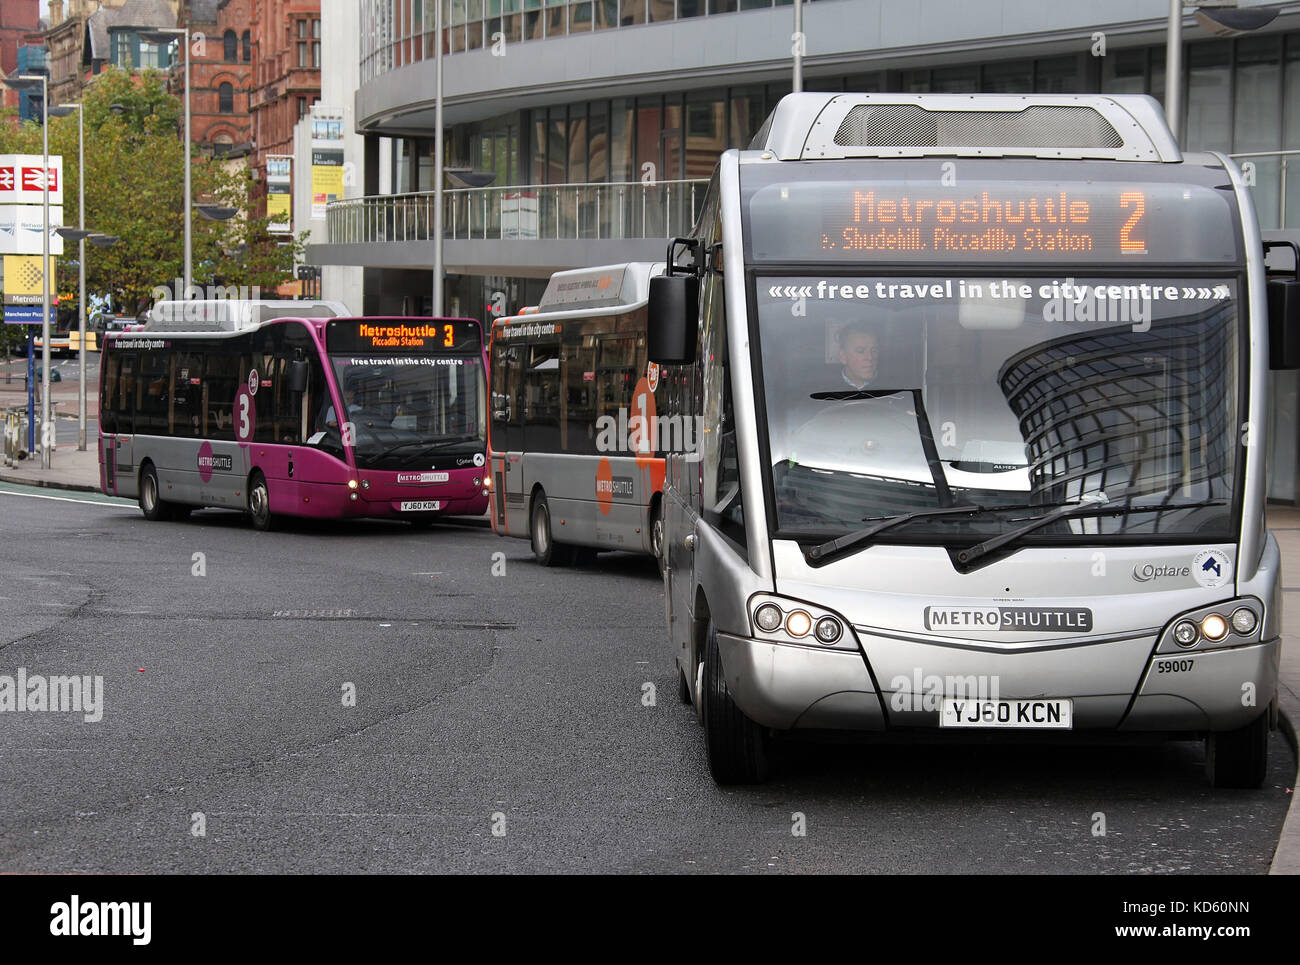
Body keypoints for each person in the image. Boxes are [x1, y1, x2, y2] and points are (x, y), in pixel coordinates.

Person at [834, 322, 881, 390]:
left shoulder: (893, 387)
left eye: (874, 350)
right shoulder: (824, 389)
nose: (870, 357)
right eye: (860, 351)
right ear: (843, 356)